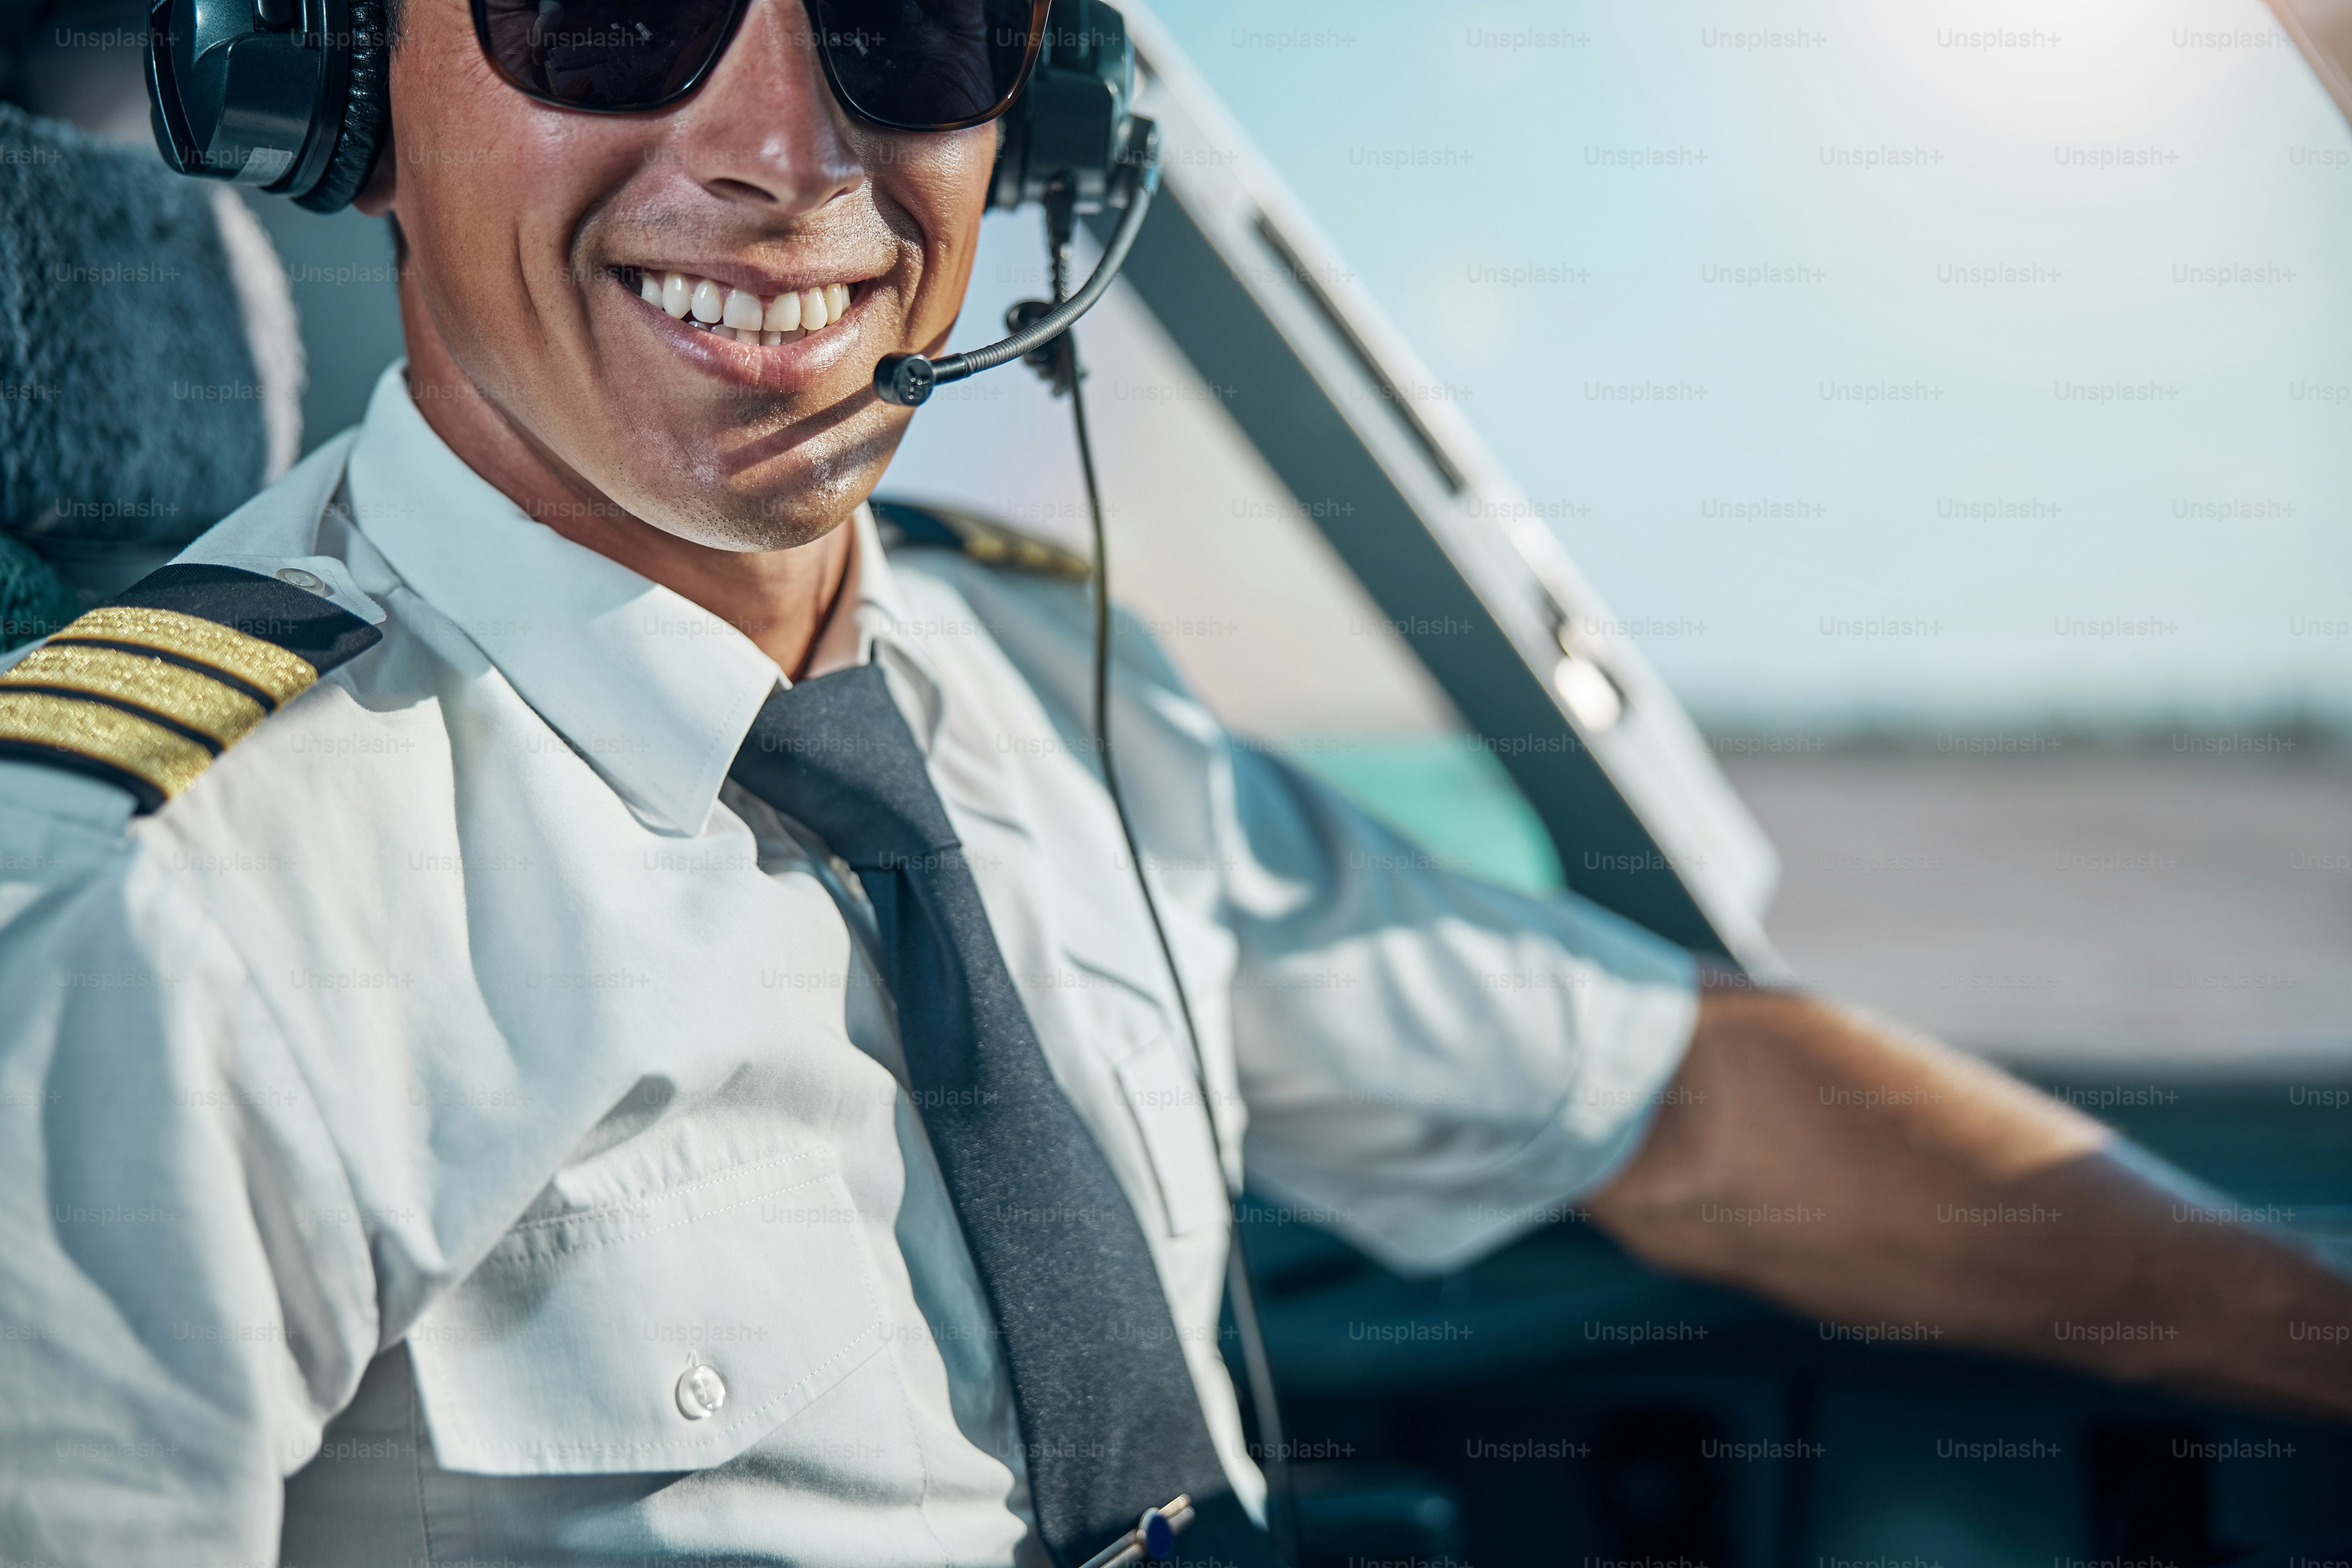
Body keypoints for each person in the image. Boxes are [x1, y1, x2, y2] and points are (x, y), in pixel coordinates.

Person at [1, 0, 2347, 1563]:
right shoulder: (150, 925)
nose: (783, 145)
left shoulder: (1040, 685)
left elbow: (1692, 1106)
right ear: (325, 86)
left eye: (913, 16)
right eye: (605, 0)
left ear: (1052, 112)